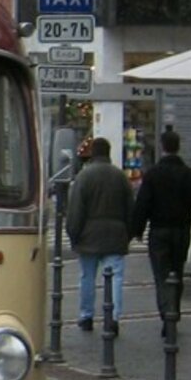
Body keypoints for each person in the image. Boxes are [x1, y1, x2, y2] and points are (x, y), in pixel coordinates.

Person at [131, 128, 191, 333]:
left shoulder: (152, 174)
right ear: (178, 148)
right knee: (176, 272)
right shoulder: (189, 174)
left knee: (161, 276)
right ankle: (174, 311)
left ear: (162, 148)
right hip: (182, 230)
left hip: (158, 230)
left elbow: (143, 203)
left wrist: (137, 229)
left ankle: (166, 314)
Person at [66, 136, 133, 333]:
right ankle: (112, 317)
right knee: (116, 277)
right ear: (108, 152)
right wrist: (127, 233)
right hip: (115, 233)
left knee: (87, 277)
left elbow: (76, 210)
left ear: (93, 153)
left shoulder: (84, 177)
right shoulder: (120, 176)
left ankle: (86, 316)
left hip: (88, 235)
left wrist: (74, 234)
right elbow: (130, 208)